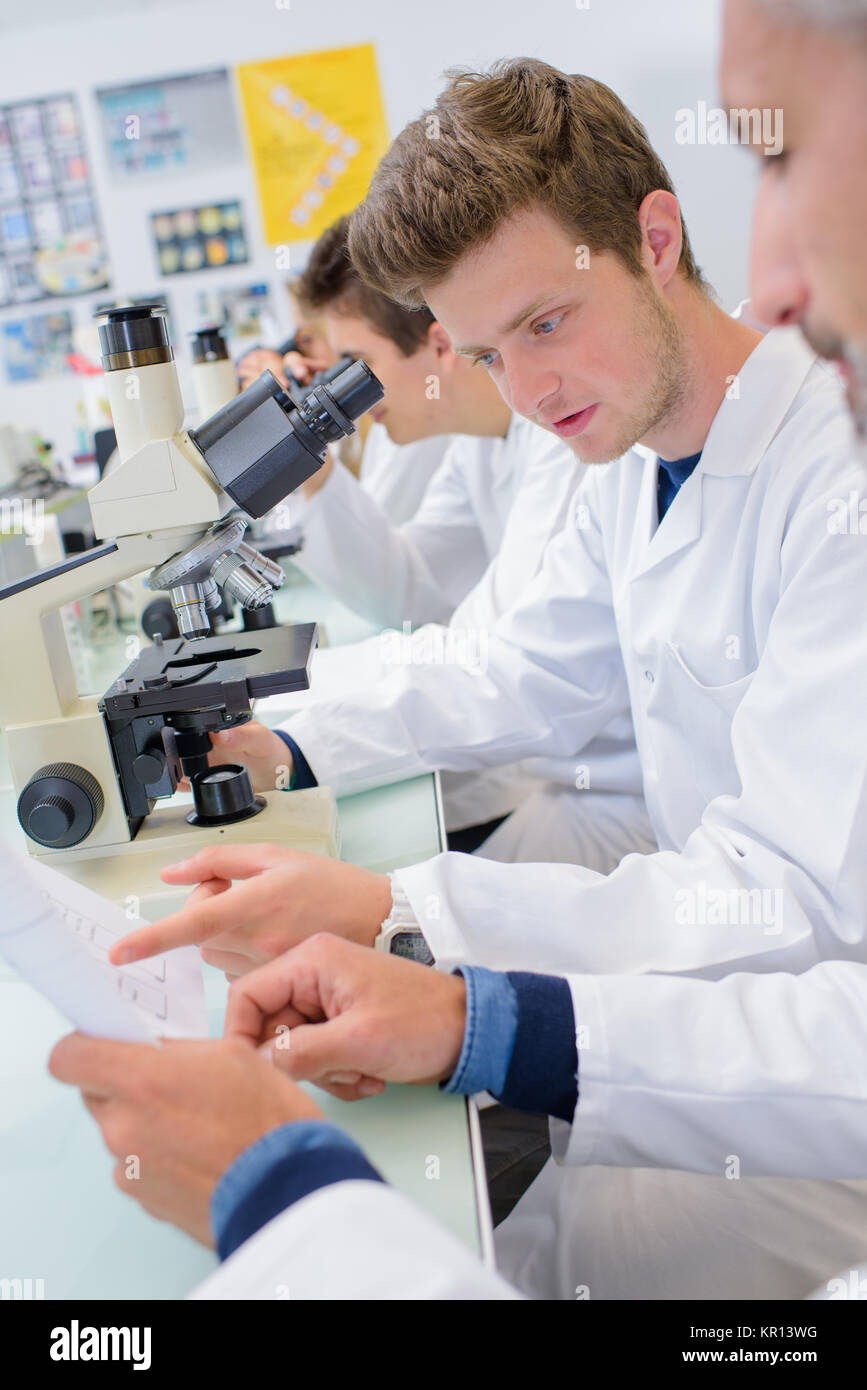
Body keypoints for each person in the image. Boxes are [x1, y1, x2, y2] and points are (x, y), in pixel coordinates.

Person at [55, 55, 867, 1299]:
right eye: (488, 355)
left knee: (534, 1255)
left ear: (657, 236)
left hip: (817, 1085)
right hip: (717, 1016)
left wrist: (434, 949)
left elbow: (789, 903)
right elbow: (513, 665)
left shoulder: (830, 477)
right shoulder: (629, 457)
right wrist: (280, 750)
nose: (529, 394)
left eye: (546, 321)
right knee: (504, 1220)